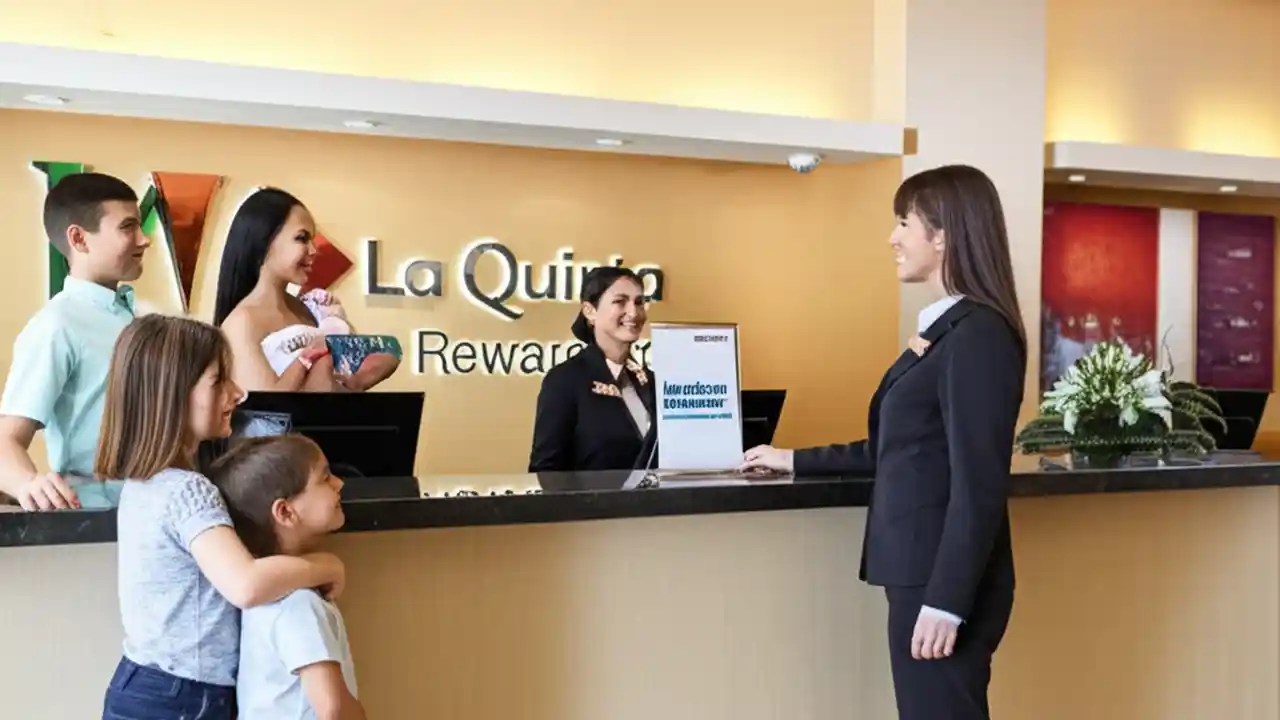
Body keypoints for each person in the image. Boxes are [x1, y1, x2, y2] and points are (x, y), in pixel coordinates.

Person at [741, 165, 1026, 720]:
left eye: (904, 223)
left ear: (942, 235)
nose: (892, 238)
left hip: (942, 583)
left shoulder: (978, 335)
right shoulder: (950, 329)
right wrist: (791, 459)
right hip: (921, 575)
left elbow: (979, 483)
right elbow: (899, 448)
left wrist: (947, 601)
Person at [99, 314, 346, 720]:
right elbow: (246, 584)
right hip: (183, 698)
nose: (238, 392)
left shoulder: (144, 484)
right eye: (219, 382)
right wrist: (326, 566)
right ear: (172, 394)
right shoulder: (187, 491)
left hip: (145, 684)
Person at [0, 172, 146, 511]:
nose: (144, 239)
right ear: (79, 238)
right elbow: (6, 440)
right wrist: (28, 484)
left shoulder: (134, 318)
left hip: (152, 508)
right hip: (97, 518)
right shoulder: (56, 325)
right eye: (127, 227)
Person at [210, 435, 366, 719]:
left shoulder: (277, 597)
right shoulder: (299, 604)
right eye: (325, 477)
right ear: (285, 511)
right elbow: (332, 708)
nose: (339, 483)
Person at [213, 187, 398, 393]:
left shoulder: (310, 310)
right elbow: (266, 408)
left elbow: (369, 358)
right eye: (301, 238)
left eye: (312, 240)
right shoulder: (241, 323)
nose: (313, 250)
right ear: (264, 241)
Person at [529, 266, 657, 472]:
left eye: (639, 302)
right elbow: (546, 470)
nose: (633, 312)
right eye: (620, 301)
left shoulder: (652, 381)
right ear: (590, 311)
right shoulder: (564, 380)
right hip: (590, 495)